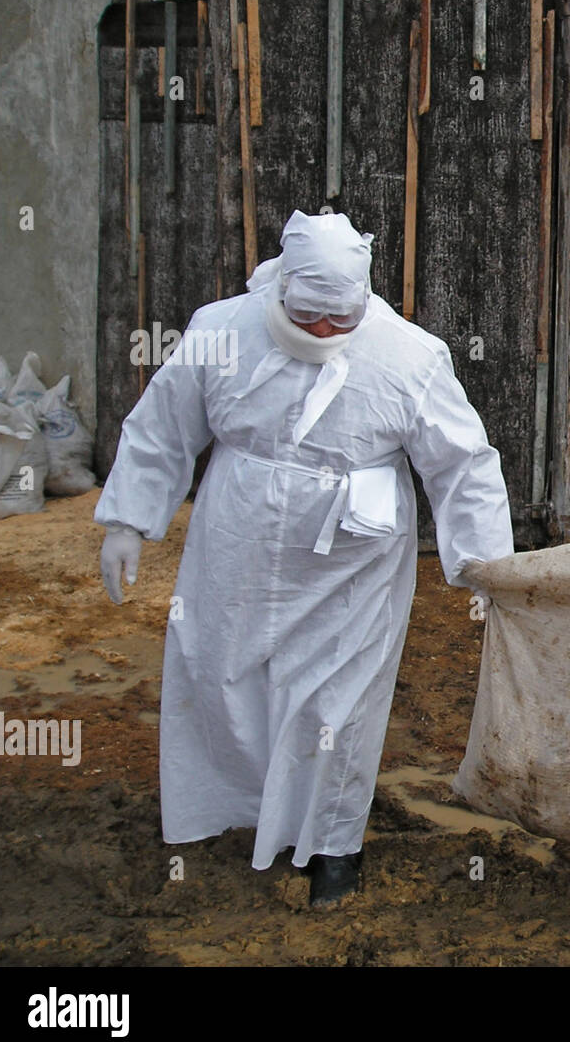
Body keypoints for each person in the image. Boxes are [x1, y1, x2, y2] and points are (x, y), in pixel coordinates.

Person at [96, 210, 513, 905]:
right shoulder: (221, 331)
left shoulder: (410, 355)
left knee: (337, 701)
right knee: (223, 671)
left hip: (352, 558)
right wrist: (127, 520)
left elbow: (462, 464)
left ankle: (332, 843)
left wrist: (484, 563)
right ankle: (240, 808)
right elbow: (163, 427)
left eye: (338, 318)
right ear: (282, 288)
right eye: (307, 315)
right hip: (238, 537)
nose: (322, 330)